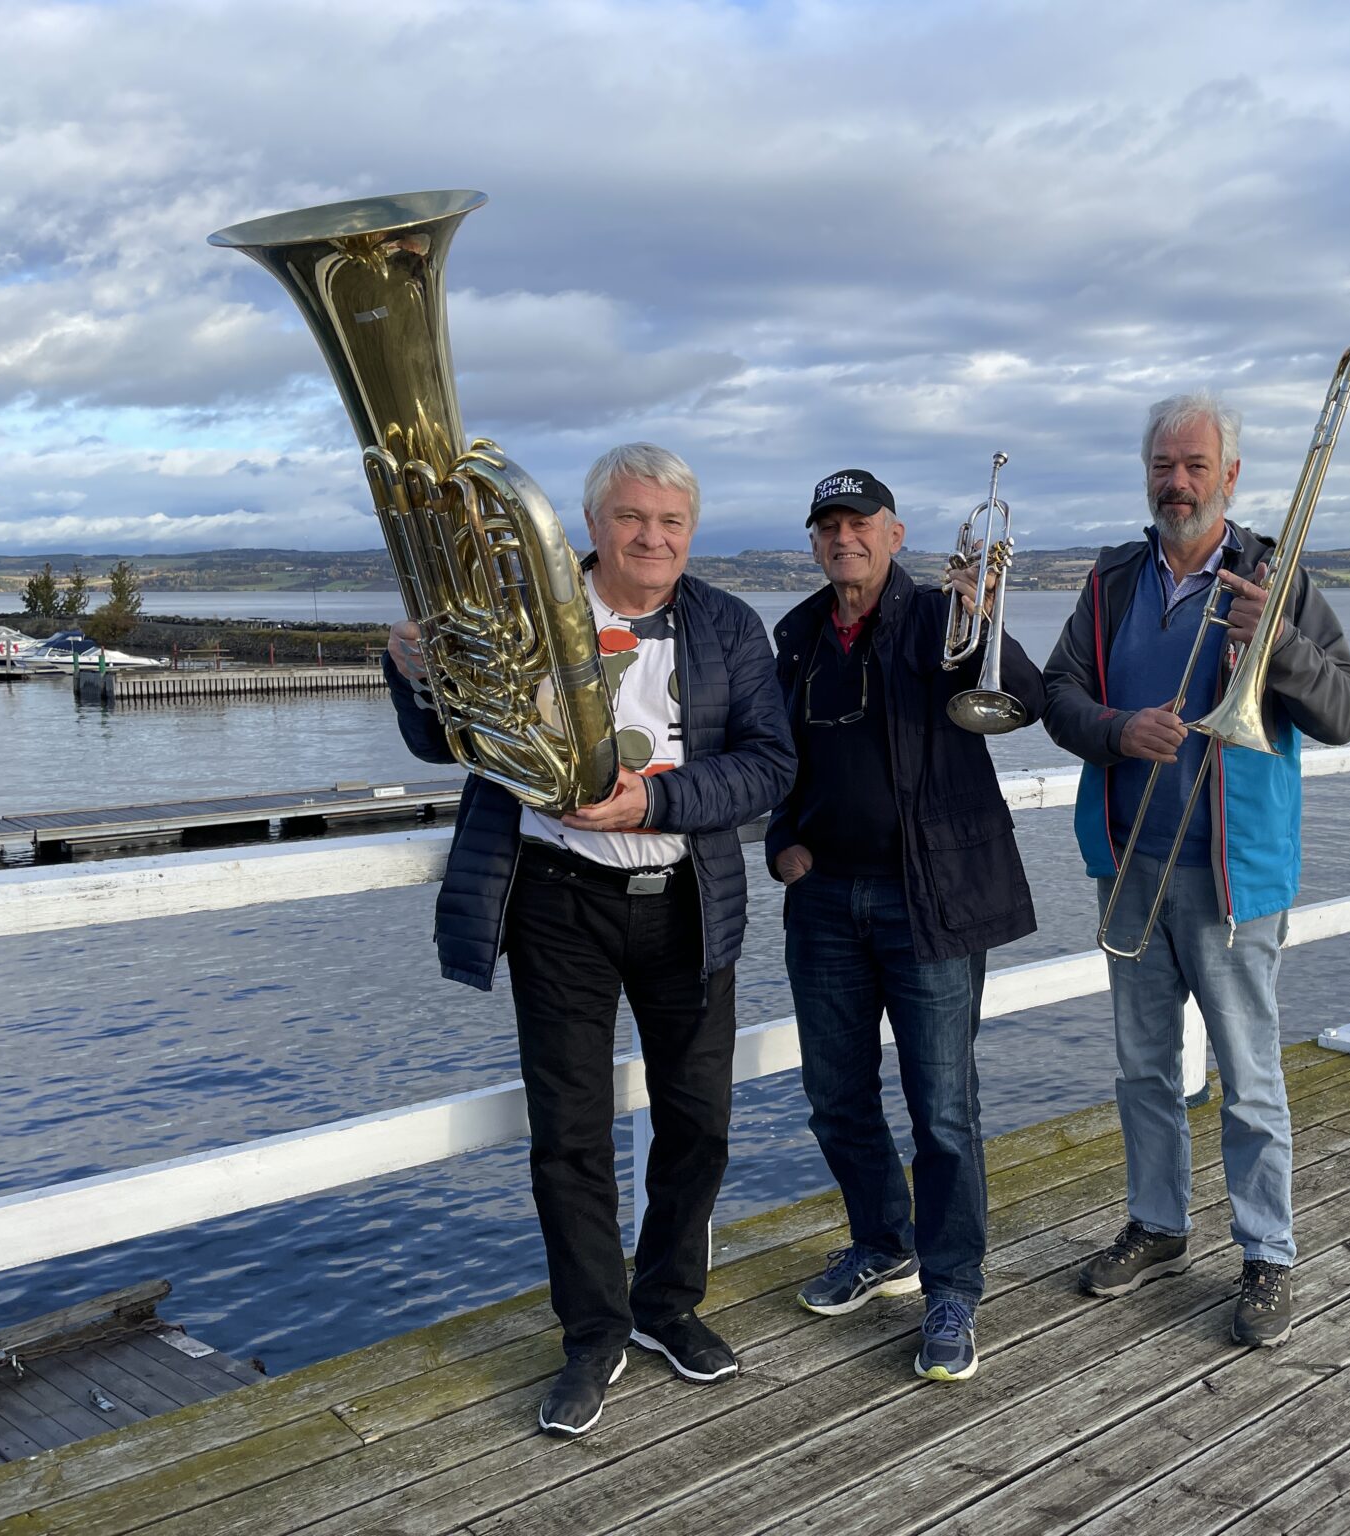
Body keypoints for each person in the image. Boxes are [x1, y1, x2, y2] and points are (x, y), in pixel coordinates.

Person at [384, 443, 795, 1436]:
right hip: (556, 903)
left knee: (697, 1122)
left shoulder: (729, 626)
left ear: (688, 534)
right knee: (568, 1137)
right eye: (631, 519)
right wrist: (410, 674)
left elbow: (769, 767)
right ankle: (591, 1337)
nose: (651, 538)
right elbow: (439, 741)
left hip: (685, 900)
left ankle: (665, 1308)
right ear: (590, 524)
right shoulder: (517, 617)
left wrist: (655, 797)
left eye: (670, 523)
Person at [1041, 391, 1350, 1347]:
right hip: (1130, 861)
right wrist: (1113, 729)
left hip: (1234, 872)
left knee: (1249, 1075)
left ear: (1230, 476)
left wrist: (1283, 643)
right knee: (1143, 1066)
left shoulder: (1279, 577)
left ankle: (1268, 1253)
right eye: (1161, 467)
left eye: (1194, 466)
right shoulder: (1108, 584)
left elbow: (1344, 711)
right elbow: (1057, 695)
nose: (1175, 483)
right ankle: (1159, 1223)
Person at [765, 468, 1045, 1382]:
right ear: (815, 542)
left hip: (929, 897)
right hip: (824, 900)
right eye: (828, 525)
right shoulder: (800, 635)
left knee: (943, 1109)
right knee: (835, 1097)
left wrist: (988, 614)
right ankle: (884, 1244)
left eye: (860, 523)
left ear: (895, 534)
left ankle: (953, 1289)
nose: (843, 537)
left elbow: (1025, 699)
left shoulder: (938, 619)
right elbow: (775, 760)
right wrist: (780, 844)